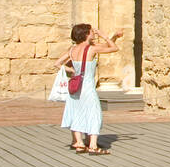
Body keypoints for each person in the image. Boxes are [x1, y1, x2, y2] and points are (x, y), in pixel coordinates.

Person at [52, 24, 122, 155]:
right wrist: (104, 35)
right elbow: (113, 48)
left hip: (75, 86)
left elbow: (57, 63)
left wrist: (71, 70)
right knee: (94, 113)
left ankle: (79, 143)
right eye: (91, 31)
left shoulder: (72, 49)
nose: (94, 33)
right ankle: (93, 146)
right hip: (87, 86)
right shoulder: (91, 49)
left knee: (76, 113)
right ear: (86, 34)